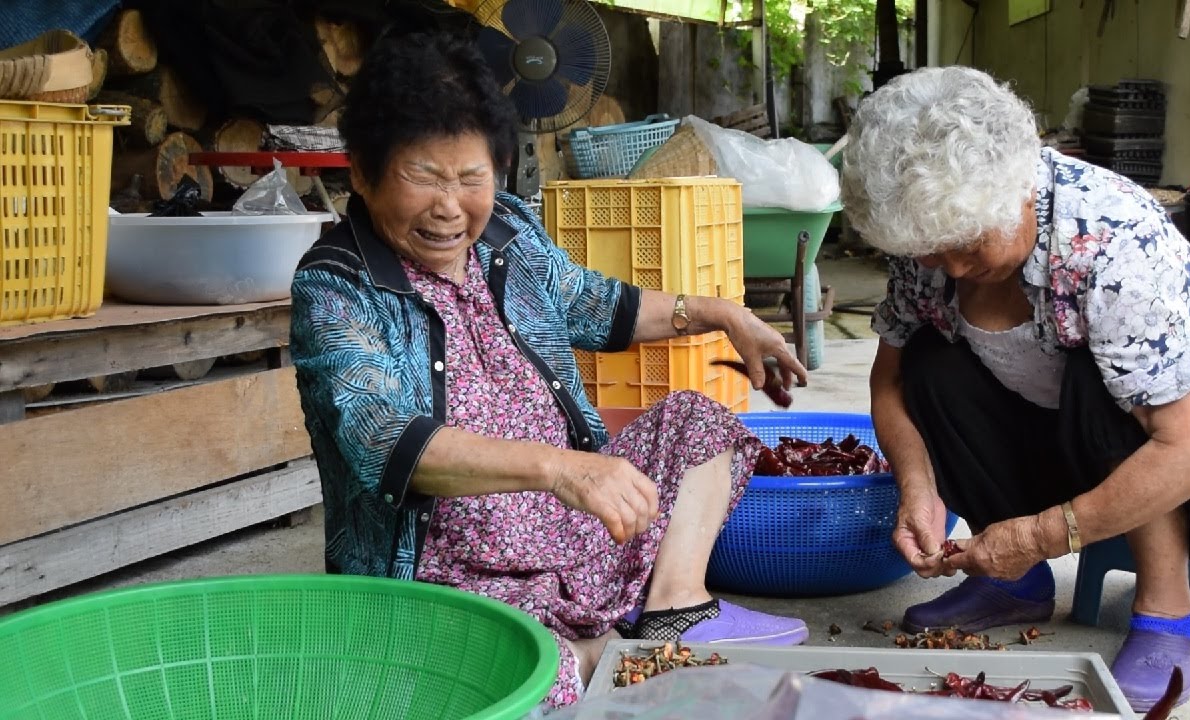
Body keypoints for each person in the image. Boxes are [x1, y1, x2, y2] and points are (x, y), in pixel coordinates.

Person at [289, 30, 811, 707]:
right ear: (361, 172)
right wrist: (561, 468)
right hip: (451, 571)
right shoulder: (336, 287)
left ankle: (671, 609)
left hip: (571, 525)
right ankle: (589, 653)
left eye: (472, 178)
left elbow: (595, 305)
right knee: (518, 682)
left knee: (699, 421)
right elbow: (382, 439)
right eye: (424, 176)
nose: (451, 208)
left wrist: (720, 313)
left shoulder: (505, 229)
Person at [840, 66, 1190, 712]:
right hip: (1052, 430)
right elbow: (890, 380)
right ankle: (1016, 586)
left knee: (1099, 378)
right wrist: (918, 487)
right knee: (930, 364)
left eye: (966, 246)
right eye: (934, 254)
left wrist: (1039, 535)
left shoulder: (1106, 240)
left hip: (1185, 454)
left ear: (1014, 192)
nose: (953, 269)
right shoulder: (930, 241)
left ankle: (1168, 610)